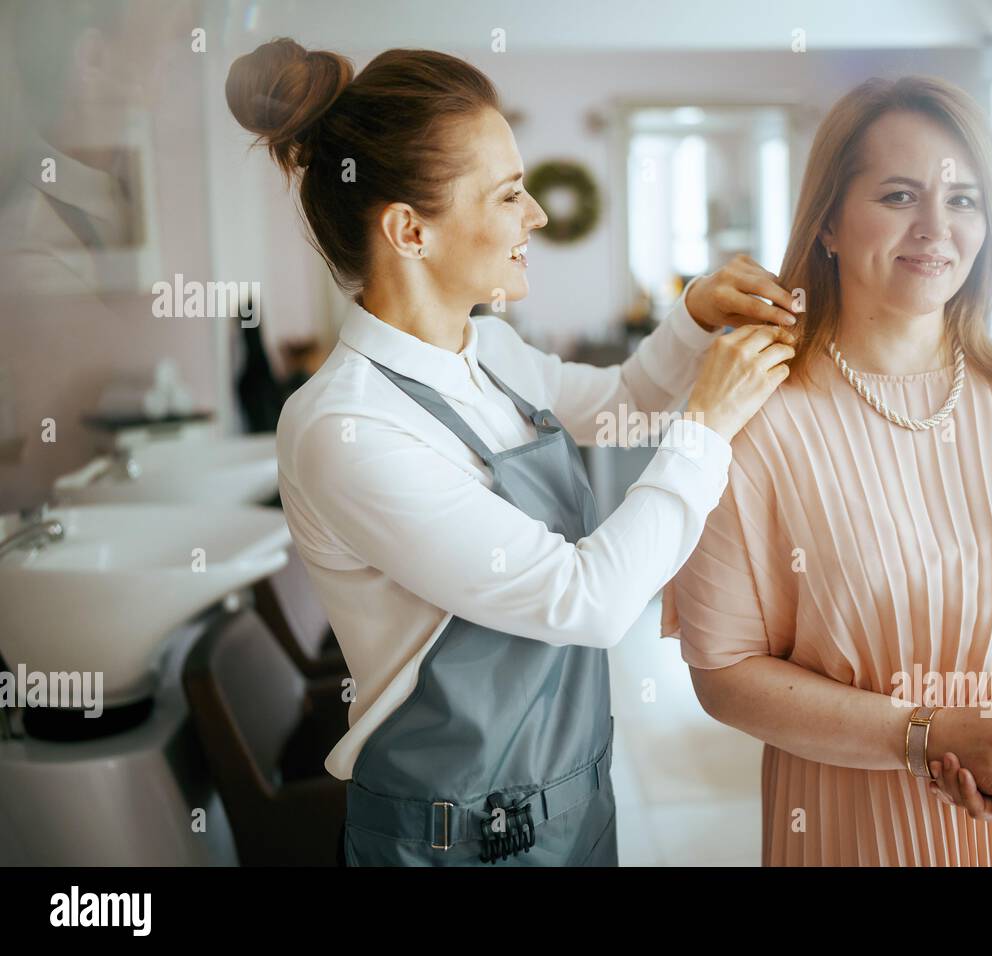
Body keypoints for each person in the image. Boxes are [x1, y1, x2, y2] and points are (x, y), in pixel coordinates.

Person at [226, 39, 797, 866]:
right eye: (508, 194)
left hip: (572, 794)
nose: (535, 215)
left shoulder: (487, 349)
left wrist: (696, 316)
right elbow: (588, 600)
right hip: (453, 837)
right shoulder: (343, 428)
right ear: (409, 231)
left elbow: (621, 405)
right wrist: (706, 425)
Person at [664, 75, 992, 866]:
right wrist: (923, 737)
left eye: (964, 200)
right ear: (826, 220)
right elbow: (722, 671)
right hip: (856, 828)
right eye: (898, 196)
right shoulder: (752, 414)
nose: (936, 227)